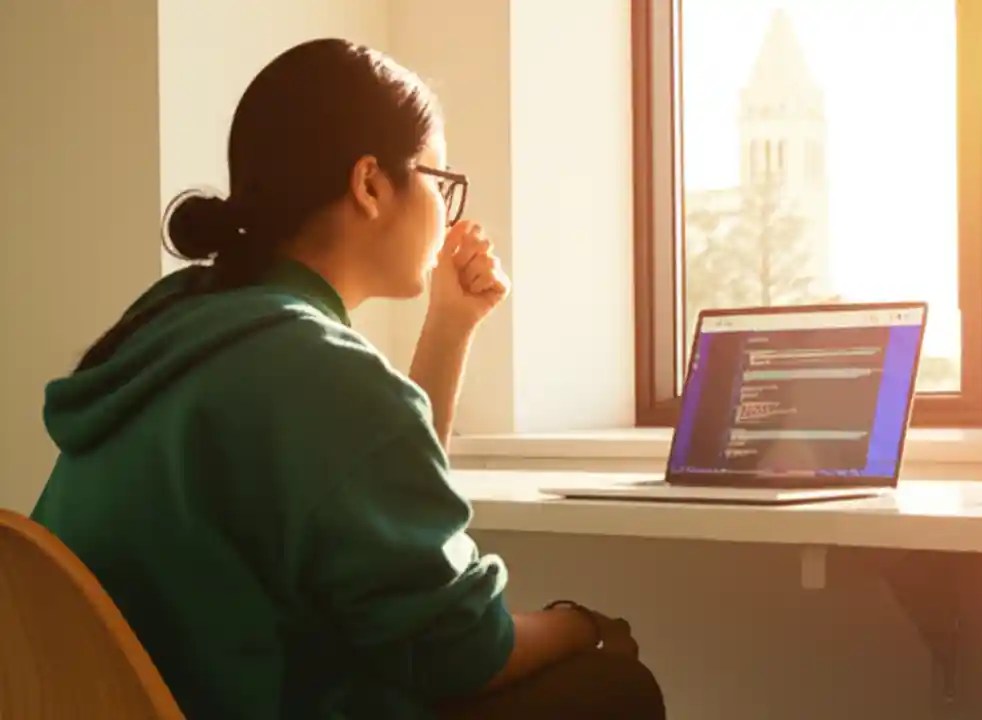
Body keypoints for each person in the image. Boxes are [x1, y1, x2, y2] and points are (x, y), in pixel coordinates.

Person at [30, 39, 664, 719]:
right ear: (370, 185)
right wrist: (583, 624)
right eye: (440, 180)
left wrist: (449, 326)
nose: (447, 211)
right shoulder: (313, 367)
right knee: (613, 687)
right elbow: (460, 651)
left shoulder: (173, 327)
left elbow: (383, 505)